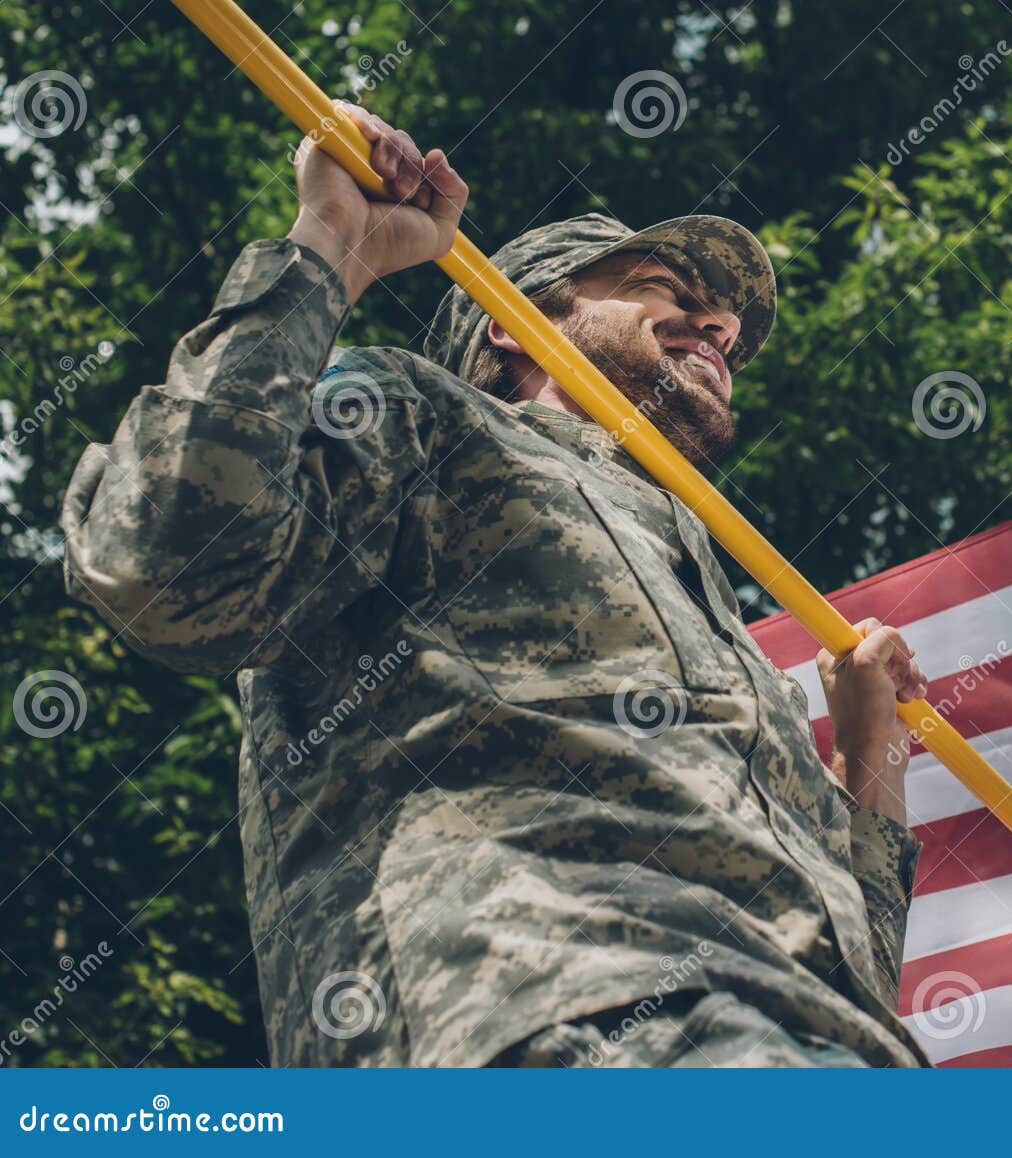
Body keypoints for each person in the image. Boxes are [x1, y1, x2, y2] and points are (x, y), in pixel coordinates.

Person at [60, 104, 932, 1068]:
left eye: (720, 318)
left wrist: (871, 757)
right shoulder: (429, 419)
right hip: (559, 1017)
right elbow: (171, 565)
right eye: (662, 287)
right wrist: (335, 243)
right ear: (516, 326)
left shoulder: (719, 616)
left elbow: (854, 965)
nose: (718, 325)